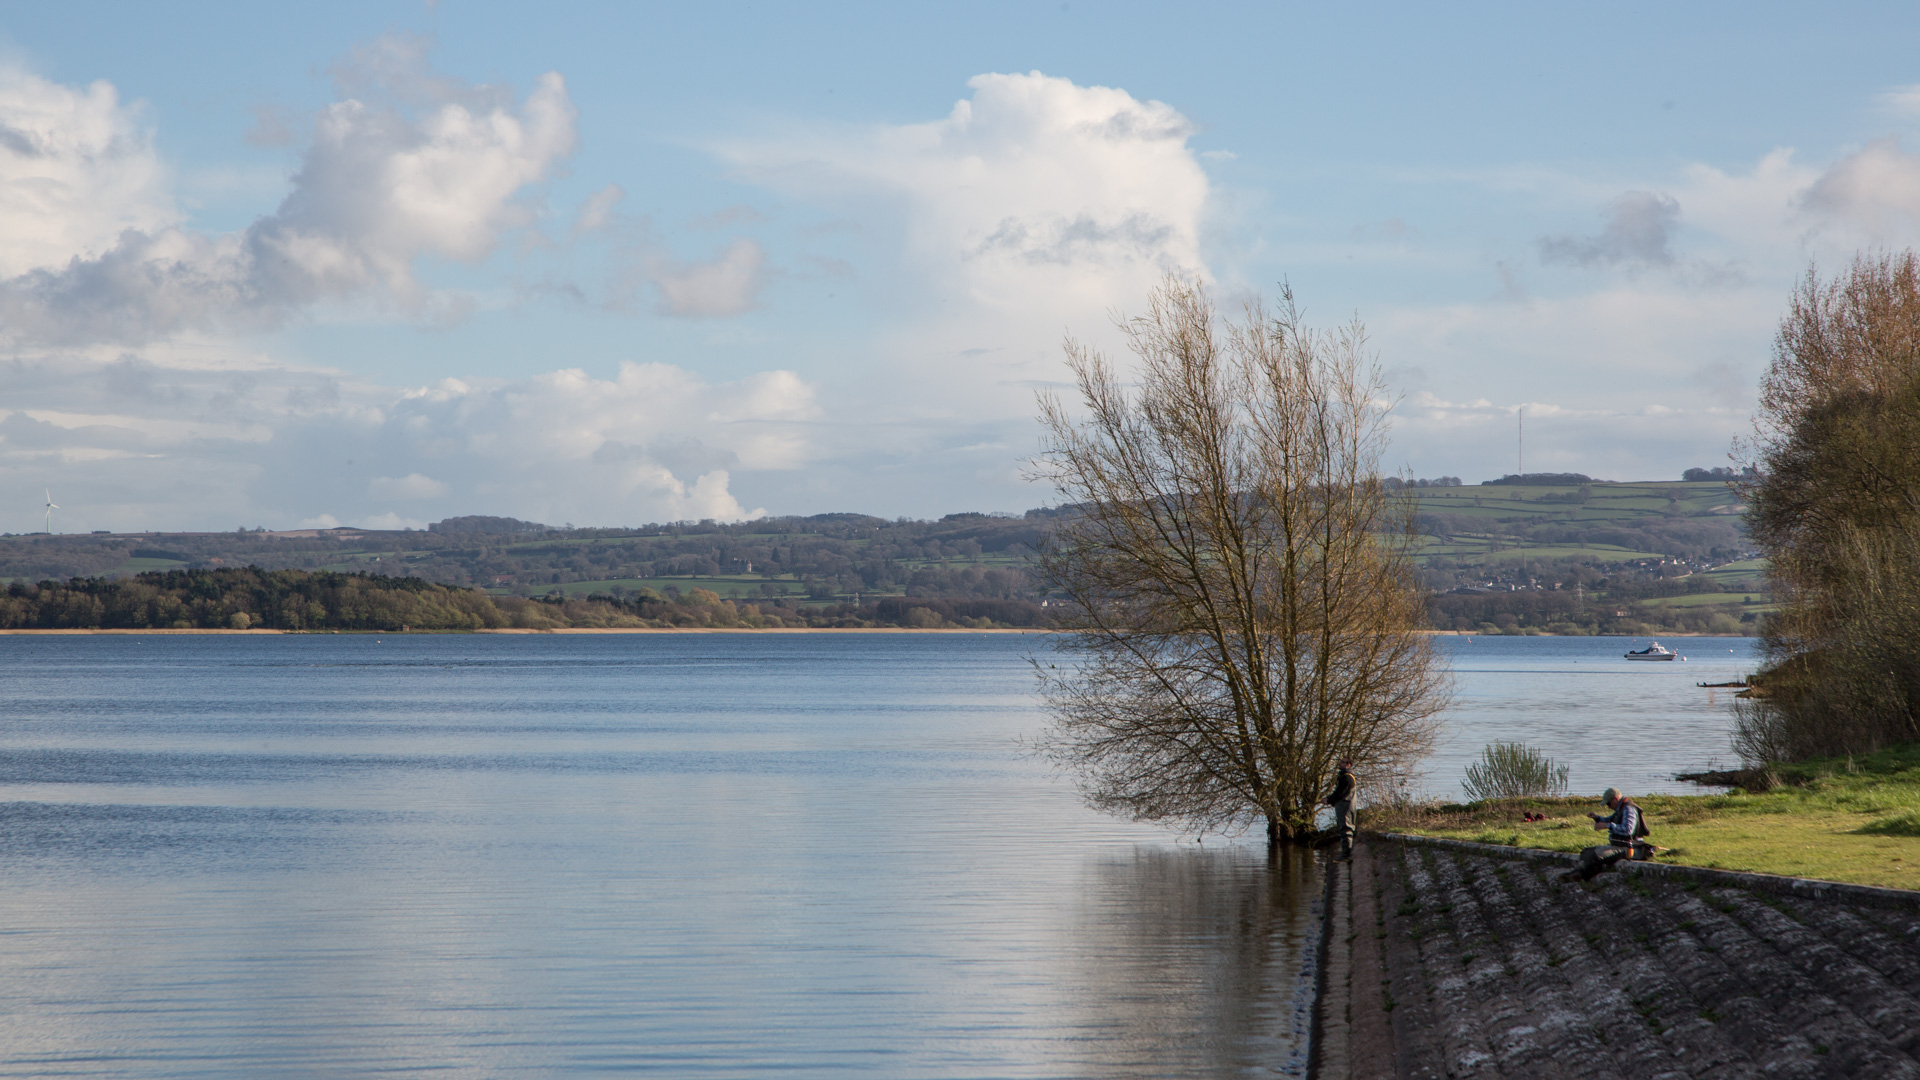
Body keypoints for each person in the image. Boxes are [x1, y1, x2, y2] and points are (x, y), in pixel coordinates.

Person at [1560, 788, 1645, 882]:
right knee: (1586, 852)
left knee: (1597, 855)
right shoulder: (1620, 809)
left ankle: (1582, 876)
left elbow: (1628, 830)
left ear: (1615, 799)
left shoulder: (1629, 809)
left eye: (1609, 803)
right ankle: (1577, 873)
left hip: (1628, 848)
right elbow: (1609, 819)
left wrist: (1607, 826)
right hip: (1618, 846)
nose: (1608, 806)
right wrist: (1597, 818)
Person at [1324, 758, 1356, 861]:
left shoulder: (1347, 777)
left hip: (1345, 806)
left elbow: (1340, 793)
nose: (1340, 763)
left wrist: (1328, 800)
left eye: (1343, 762)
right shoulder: (1346, 776)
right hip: (1345, 805)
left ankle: (1346, 855)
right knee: (1344, 828)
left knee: (1345, 829)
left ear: (1348, 764)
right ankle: (1346, 854)